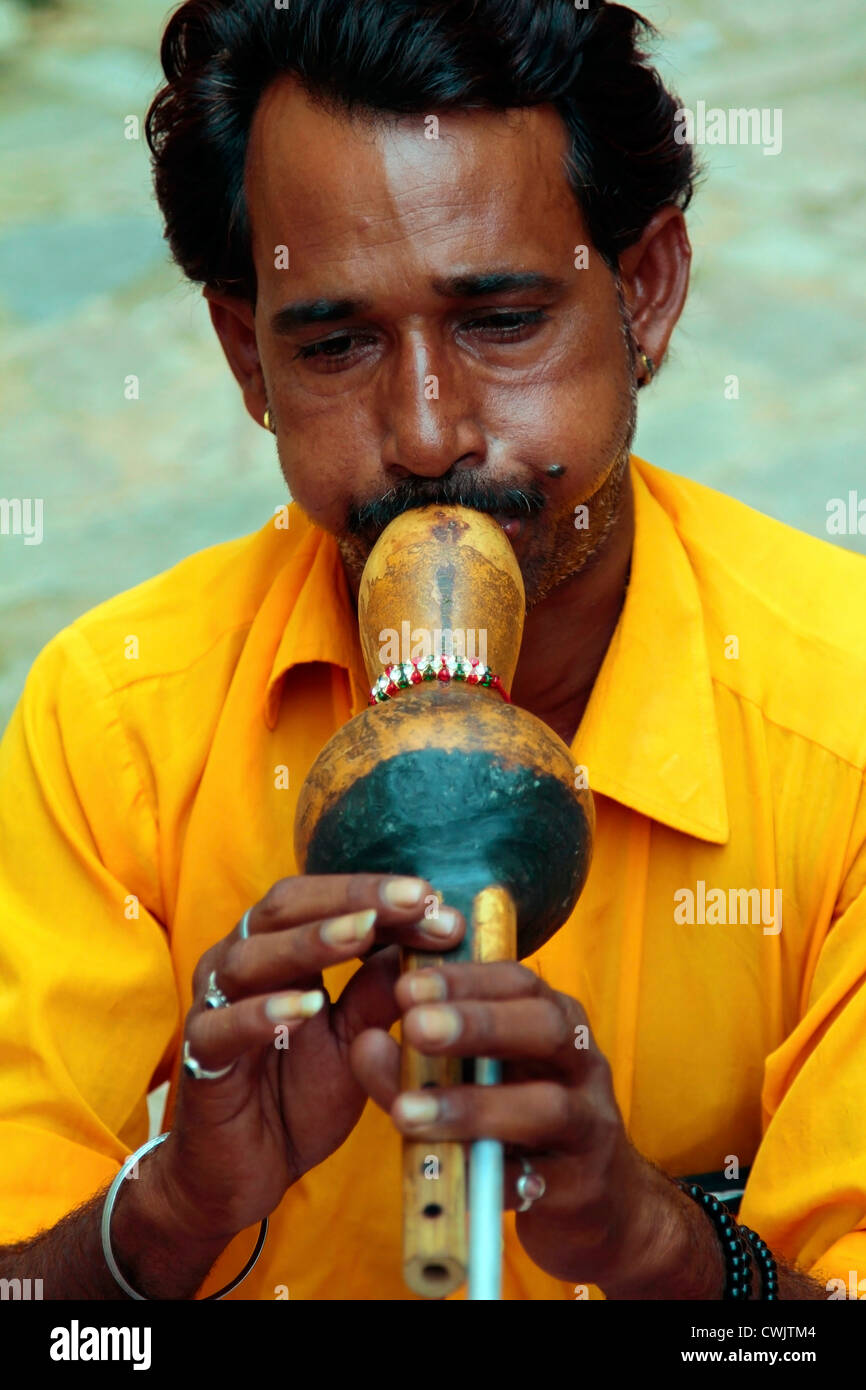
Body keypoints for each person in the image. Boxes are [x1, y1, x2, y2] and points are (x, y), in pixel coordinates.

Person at [0, 0, 864, 1302]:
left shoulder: (839, 714)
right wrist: (168, 1212)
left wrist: (665, 1250)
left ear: (644, 290)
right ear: (247, 358)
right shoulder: (114, 718)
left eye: (500, 320)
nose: (423, 432)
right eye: (336, 344)